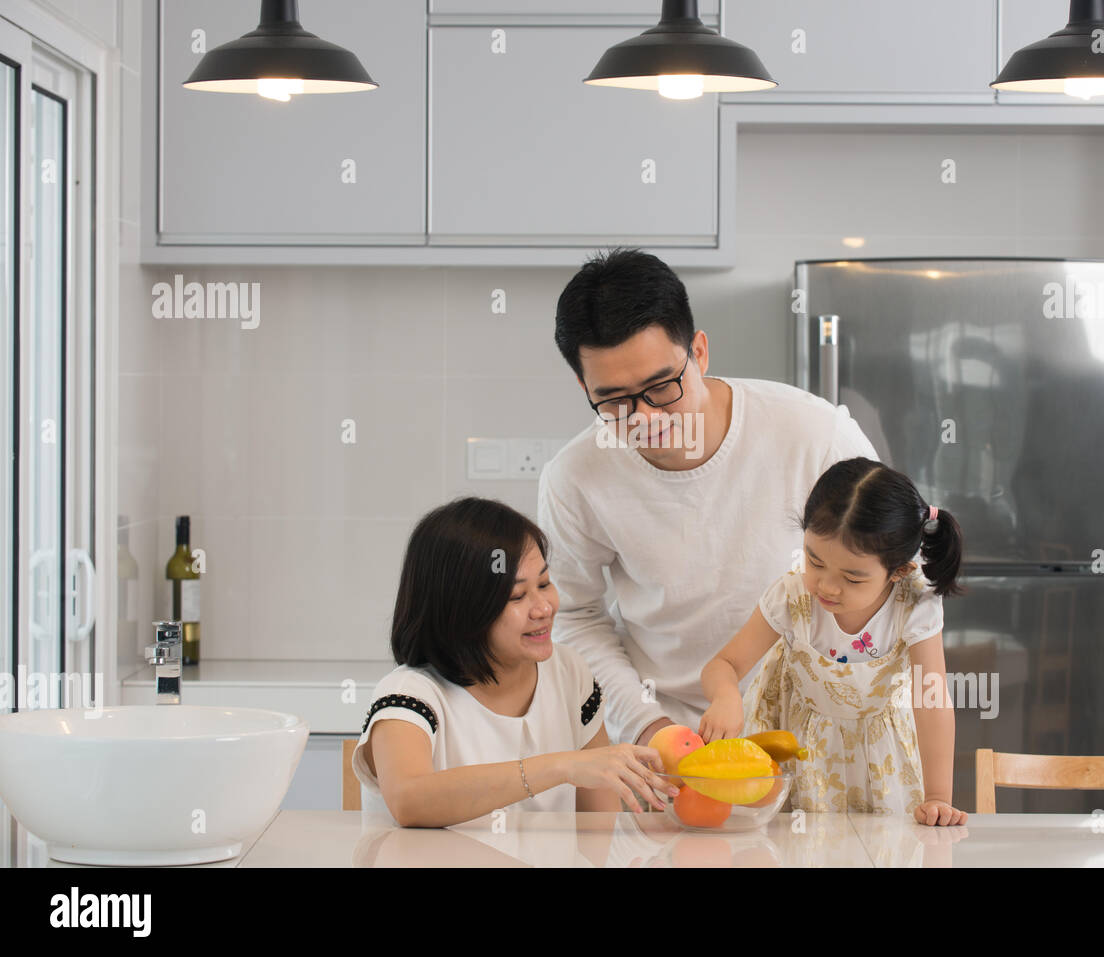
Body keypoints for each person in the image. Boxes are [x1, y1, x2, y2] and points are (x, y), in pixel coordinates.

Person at [538, 247, 879, 752]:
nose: (644, 418)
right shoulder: (575, 477)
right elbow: (574, 615)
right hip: (672, 745)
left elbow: (895, 571)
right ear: (582, 385)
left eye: (661, 387)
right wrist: (648, 727)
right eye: (614, 401)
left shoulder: (813, 434)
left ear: (698, 352)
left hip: (819, 738)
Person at [351, 497, 678, 827]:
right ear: (462, 609)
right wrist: (560, 766)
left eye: (545, 584)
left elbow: (598, 827)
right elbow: (409, 800)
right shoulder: (411, 694)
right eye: (517, 597)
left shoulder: (568, 673)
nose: (544, 608)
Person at [699, 458, 969, 826]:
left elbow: (932, 698)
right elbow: (724, 665)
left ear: (898, 571)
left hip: (881, 754)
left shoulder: (914, 602)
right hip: (799, 751)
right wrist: (726, 696)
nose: (826, 586)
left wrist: (938, 796)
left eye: (852, 578)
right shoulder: (792, 597)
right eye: (814, 561)